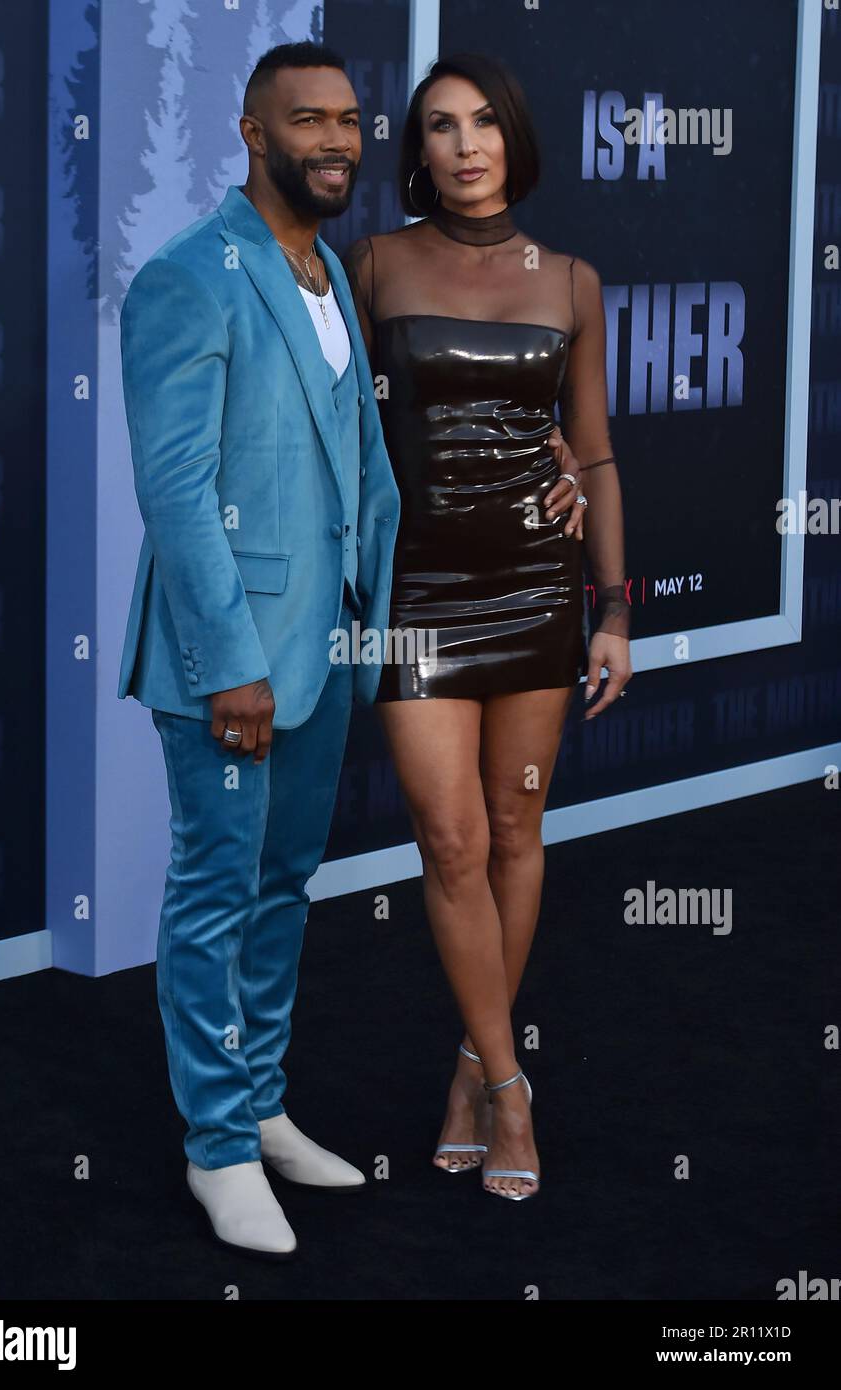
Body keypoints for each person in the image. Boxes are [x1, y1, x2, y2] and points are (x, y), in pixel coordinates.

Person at [116, 42, 400, 1257]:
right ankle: (216, 1149)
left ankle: (262, 1103)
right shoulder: (190, 276)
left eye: (348, 120)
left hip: (326, 648)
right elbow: (177, 492)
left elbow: (359, 469)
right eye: (308, 121)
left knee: (283, 887)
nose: (335, 141)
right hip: (225, 659)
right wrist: (230, 660)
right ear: (249, 131)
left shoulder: (330, 268)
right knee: (216, 893)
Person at [344, 53, 632, 1201]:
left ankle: (473, 1067)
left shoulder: (568, 281)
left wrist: (610, 609)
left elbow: (596, 450)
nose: (464, 146)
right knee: (448, 841)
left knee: (515, 830)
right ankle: (514, 1087)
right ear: (414, 153)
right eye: (438, 128)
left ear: (513, 139)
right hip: (415, 597)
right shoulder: (370, 266)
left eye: (483, 125)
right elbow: (335, 430)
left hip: (533, 591)